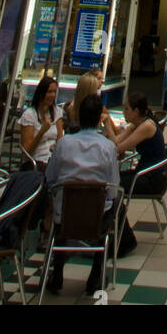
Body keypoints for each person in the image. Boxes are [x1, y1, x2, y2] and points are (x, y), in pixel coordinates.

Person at [44, 93, 120, 295]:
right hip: (96, 218)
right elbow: (112, 190)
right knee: (117, 203)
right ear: (98, 119)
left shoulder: (63, 144)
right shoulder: (108, 147)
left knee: (63, 205)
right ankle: (95, 276)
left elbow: (50, 179)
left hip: (64, 217)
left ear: (78, 116)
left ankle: (57, 273)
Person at [102, 92, 167, 257]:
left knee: (111, 188)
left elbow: (118, 149)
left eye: (126, 108)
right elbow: (116, 142)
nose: (124, 111)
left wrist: (107, 125)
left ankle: (124, 240)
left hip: (151, 179)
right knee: (109, 184)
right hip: (142, 173)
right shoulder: (135, 124)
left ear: (136, 111)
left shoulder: (146, 127)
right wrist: (108, 124)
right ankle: (115, 235)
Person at [20, 74, 63, 169]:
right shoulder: (29, 115)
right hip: (35, 161)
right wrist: (42, 132)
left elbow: (60, 140)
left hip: (53, 158)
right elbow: (27, 151)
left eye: (54, 92)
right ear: (41, 93)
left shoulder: (57, 112)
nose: (53, 95)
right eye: (49, 92)